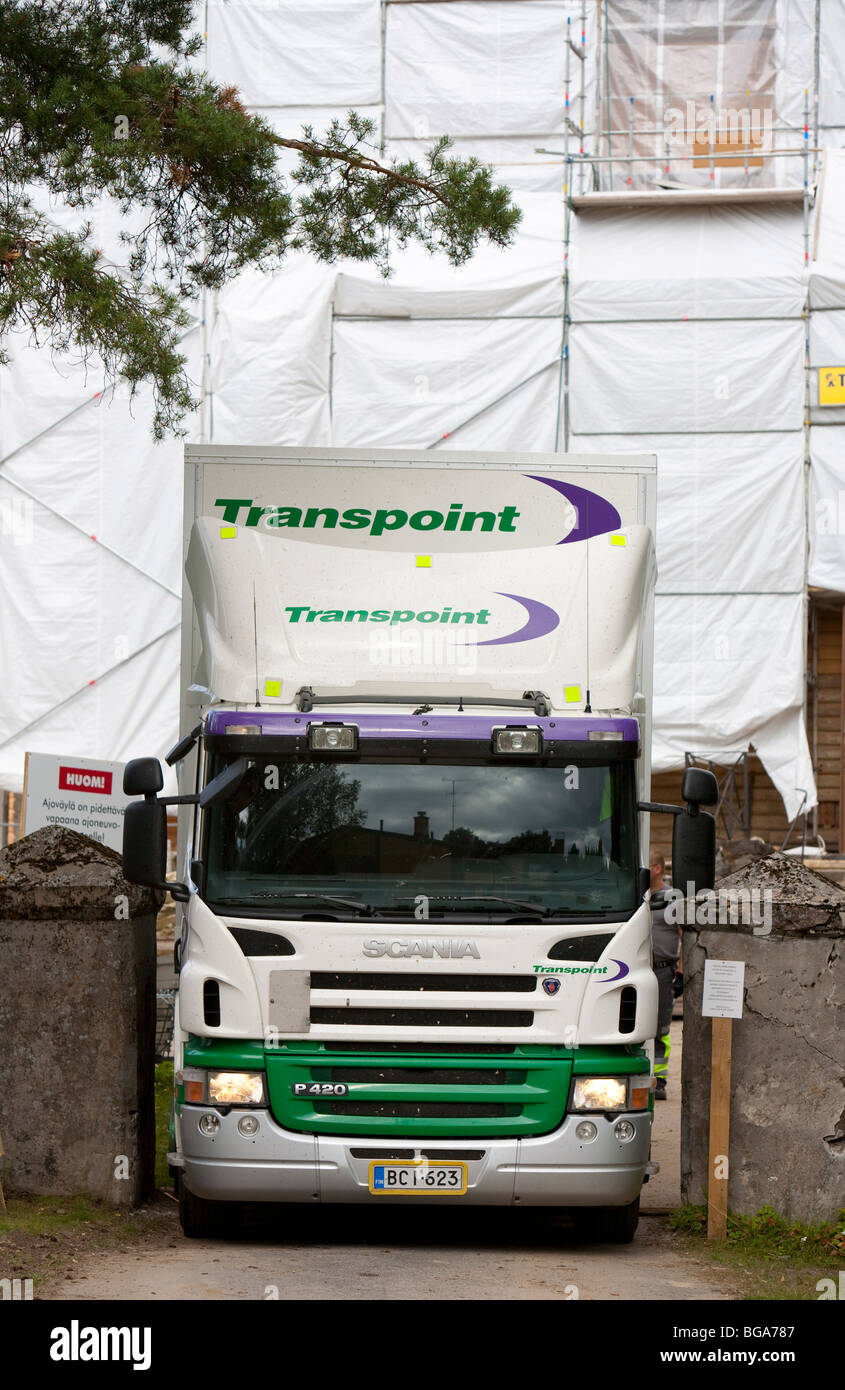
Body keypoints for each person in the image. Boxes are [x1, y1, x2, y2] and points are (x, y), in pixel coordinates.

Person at [649, 849, 680, 1100]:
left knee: (660, 1026)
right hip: (636, 970)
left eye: (646, 866)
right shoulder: (636, 896)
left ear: (657, 869)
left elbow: (685, 935)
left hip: (662, 971)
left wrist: (680, 973)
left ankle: (659, 1080)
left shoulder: (672, 898)